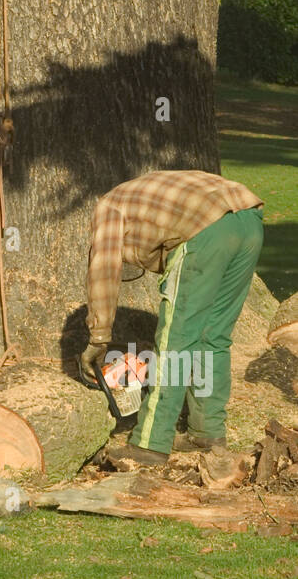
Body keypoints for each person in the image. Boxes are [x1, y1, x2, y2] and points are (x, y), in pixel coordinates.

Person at [79, 170, 264, 465]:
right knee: (212, 336)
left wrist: (99, 338)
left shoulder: (107, 209)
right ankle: (207, 431)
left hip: (205, 231)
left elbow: (103, 271)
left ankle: (151, 443)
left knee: (175, 341)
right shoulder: (139, 195)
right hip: (249, 221)